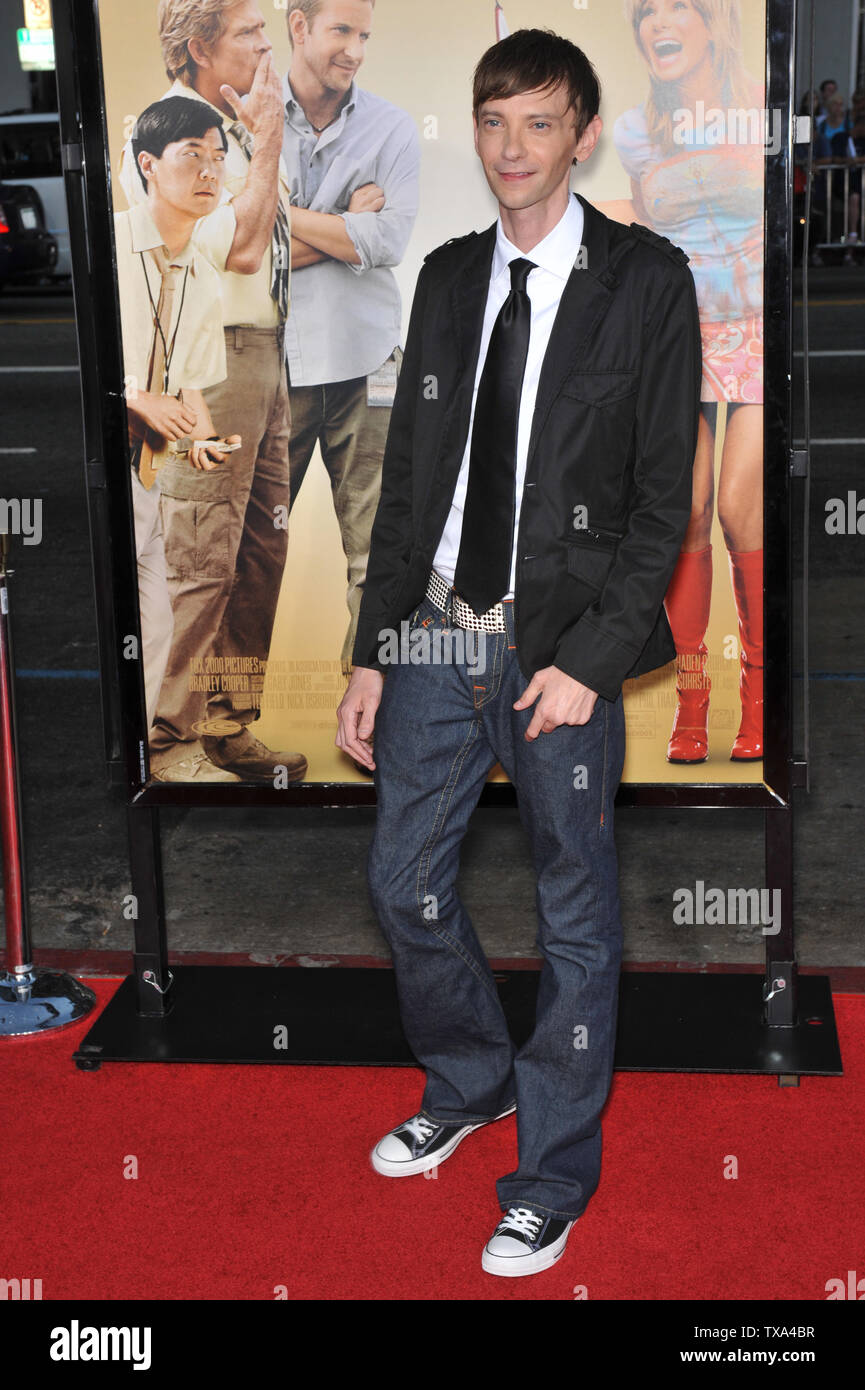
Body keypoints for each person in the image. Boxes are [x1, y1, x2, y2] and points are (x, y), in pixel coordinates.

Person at [336, 28, 701, 1277]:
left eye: (539, 124)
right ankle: (470, 1075)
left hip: (560, 651)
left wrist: (593, 660)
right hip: (436, 626)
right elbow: (408, 491)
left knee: (574, 917)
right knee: (401, 881)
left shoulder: (646, 282)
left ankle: (549, 1173)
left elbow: (662, 506)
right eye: (494, 121)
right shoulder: (445, 280)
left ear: (582, 135)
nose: (510, 148)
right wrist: (375, 648)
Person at [119, 0, 307, 784]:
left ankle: (227, 723)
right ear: (199, 46)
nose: (267, 46)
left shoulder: (235, 125)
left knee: (259, 551)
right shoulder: (170, 128)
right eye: (249, 33)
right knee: (201, 553)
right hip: (207, 360)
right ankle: (168, 739)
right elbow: (242, 247)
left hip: (263, 350)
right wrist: (266, 143)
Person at [614, 0, 764, 764]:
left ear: (713, 23)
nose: (657, 23)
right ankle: (693, 696)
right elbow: (644, 230)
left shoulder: (755, 110)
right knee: (687, 514)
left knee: (741, 511)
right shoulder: (637, 131)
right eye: (644, 12)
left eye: (677, 7)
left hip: (761, 336)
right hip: (679, 344)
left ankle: (761, 696)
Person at [281, 0, 420, 681]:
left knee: (379, 548)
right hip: (268, 367)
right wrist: (341, 223)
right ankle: (214, 720)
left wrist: (286, 222)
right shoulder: (242, 124)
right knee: (244, 551)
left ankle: (373, 703)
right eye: (341, 31)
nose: (355, 50)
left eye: (364, 35)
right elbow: (239, 252)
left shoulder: (392, 127)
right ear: (297, 25)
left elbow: (386, 242)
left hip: (368, 361)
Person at [116, 97, 236, 737]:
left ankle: (132, 750)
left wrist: (207, 439)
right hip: (104, 466)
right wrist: (135, 401)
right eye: (192, 156)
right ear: (148, 165)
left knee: (155, 620)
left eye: (218, 159)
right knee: (137, 618)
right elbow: (84, 371)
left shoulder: (202, 274)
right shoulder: (110, 246)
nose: (210, 172)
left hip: (146, 473)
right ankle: (124, 752)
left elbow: (188, 389)